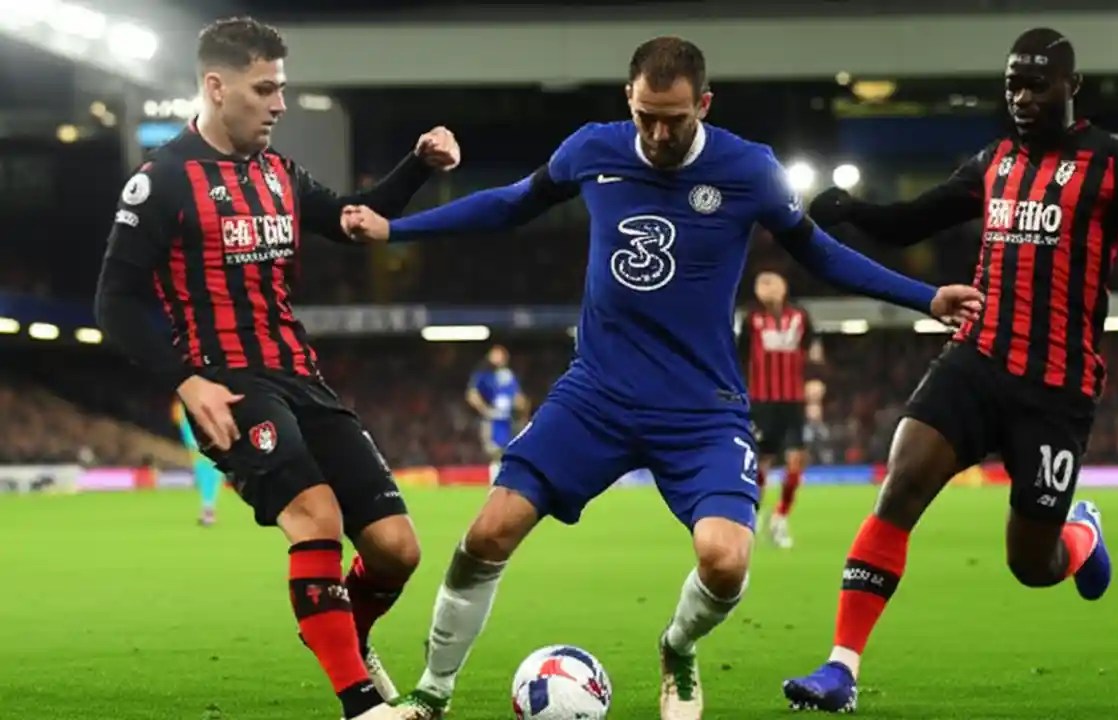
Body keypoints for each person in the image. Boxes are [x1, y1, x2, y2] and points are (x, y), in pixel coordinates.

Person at [342, 36, 982, 720]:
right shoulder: (593, 148)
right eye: (646, 114)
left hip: (702, 408)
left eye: (674, 118)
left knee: (726, 560)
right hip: (595, 396)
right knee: (486, 535)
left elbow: (821, 256)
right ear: (630, 99)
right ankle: (433, 694)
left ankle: (677, 648)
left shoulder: (749, 170)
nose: (658, 131)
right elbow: (507, 205)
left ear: (702, 105)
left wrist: (924, 297)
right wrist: (396, 229)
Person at [782, 27, 1118, 713]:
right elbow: (911, 222)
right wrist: (849, 213)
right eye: (1012, 82)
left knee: (1031, 565)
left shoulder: (1114, 163)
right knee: (900, 488)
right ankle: (840, 668)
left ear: (1071, 87)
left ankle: (1081, 534)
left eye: (1036, 83)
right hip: (976, 359)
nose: (1021, 96)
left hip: (1056, 390)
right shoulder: (994, 162)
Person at [93, 16, 461, 720]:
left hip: (300, 376)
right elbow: (115, 301)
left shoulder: (279, 175)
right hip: (228, 386)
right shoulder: (163, 181)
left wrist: (417, 165)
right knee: (314, 516)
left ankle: (343, 632)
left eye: (282, 89)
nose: (279, 104)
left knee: (396, 551)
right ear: (216, 86)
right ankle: (362, 705)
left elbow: (358, 218)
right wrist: (185, 378)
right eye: (265, 89)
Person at [737, 270, 821, 549]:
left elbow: (812, 352)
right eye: (761, 283)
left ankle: (781, 517)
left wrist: (815, 383)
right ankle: (752, 515)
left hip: (793, 402)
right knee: (761, 464)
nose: (767, 288)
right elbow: (741, 356)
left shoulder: (801, 317)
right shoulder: (751, 319)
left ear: (784, 286)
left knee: (797, 460)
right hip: (762, 402)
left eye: (772, 281)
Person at [465, 344, 528, 483]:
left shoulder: (509, 375)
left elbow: (518, 396)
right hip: (493, 419)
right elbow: (472, 394)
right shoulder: (483, 375)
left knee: (509, 451)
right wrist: (485, 410)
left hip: (509, 419)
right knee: (494, 451)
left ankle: (506, 481)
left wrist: (522, 408)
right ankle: (496, 481)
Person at [174, 398, 223, 526]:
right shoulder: (188, 408)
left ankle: (208, 510)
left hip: (208, 446)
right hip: (203, 446)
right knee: (207, 477)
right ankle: (208, 509)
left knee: (209, 477)